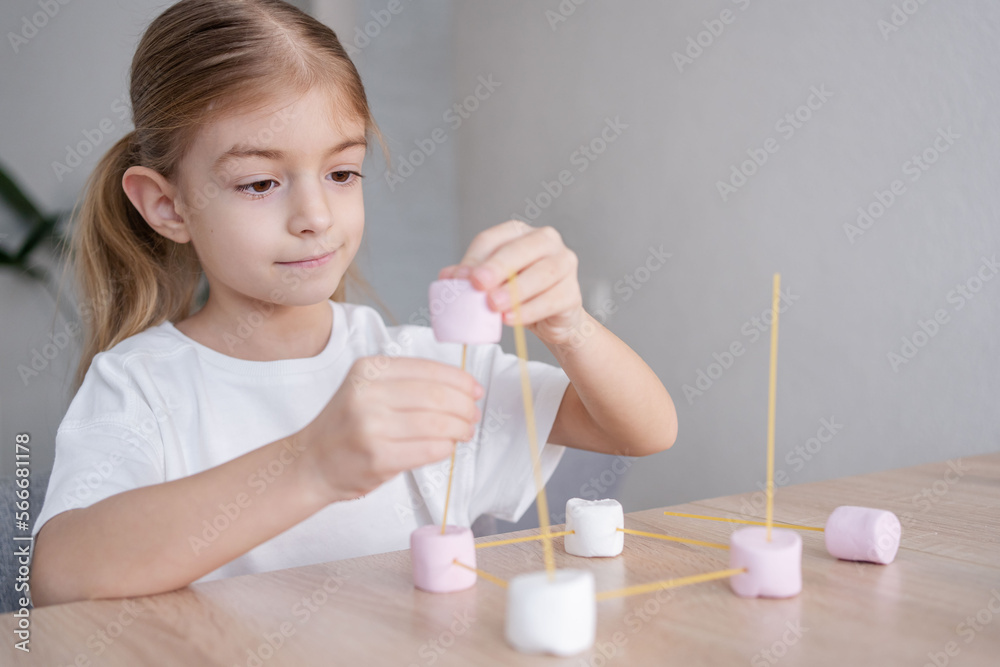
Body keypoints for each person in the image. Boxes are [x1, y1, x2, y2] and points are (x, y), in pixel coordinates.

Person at [28, 0, 677, 608]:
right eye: (260, 183)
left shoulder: (425, 367)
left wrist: (569, 325)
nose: (315, 215)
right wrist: (310, 462)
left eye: (341, 173)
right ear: (167, 206)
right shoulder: (141, 385)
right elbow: (60, 575)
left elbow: (641, 431)